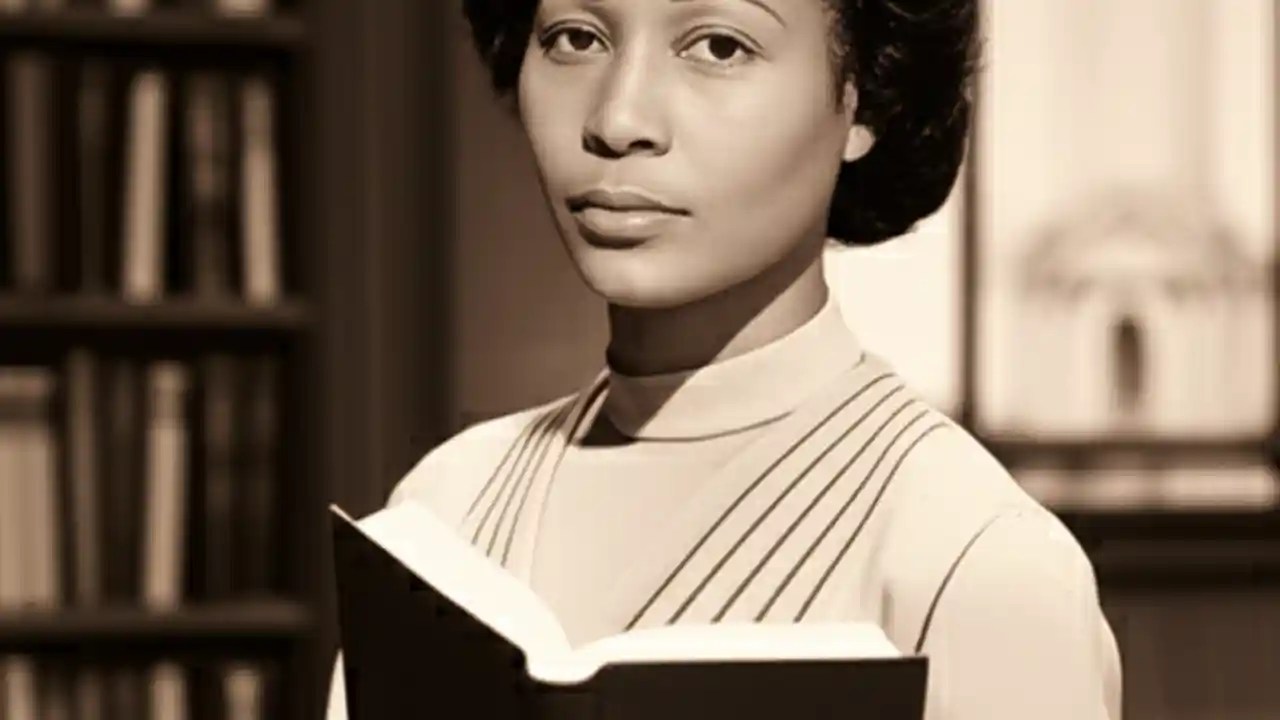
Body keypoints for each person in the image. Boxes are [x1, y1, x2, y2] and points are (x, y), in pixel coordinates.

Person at [326, 0, 1124, 717]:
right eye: (576, 37)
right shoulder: (446, 510)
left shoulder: (975, 564)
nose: (619, 117)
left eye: (718, 46)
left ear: (865, 96)